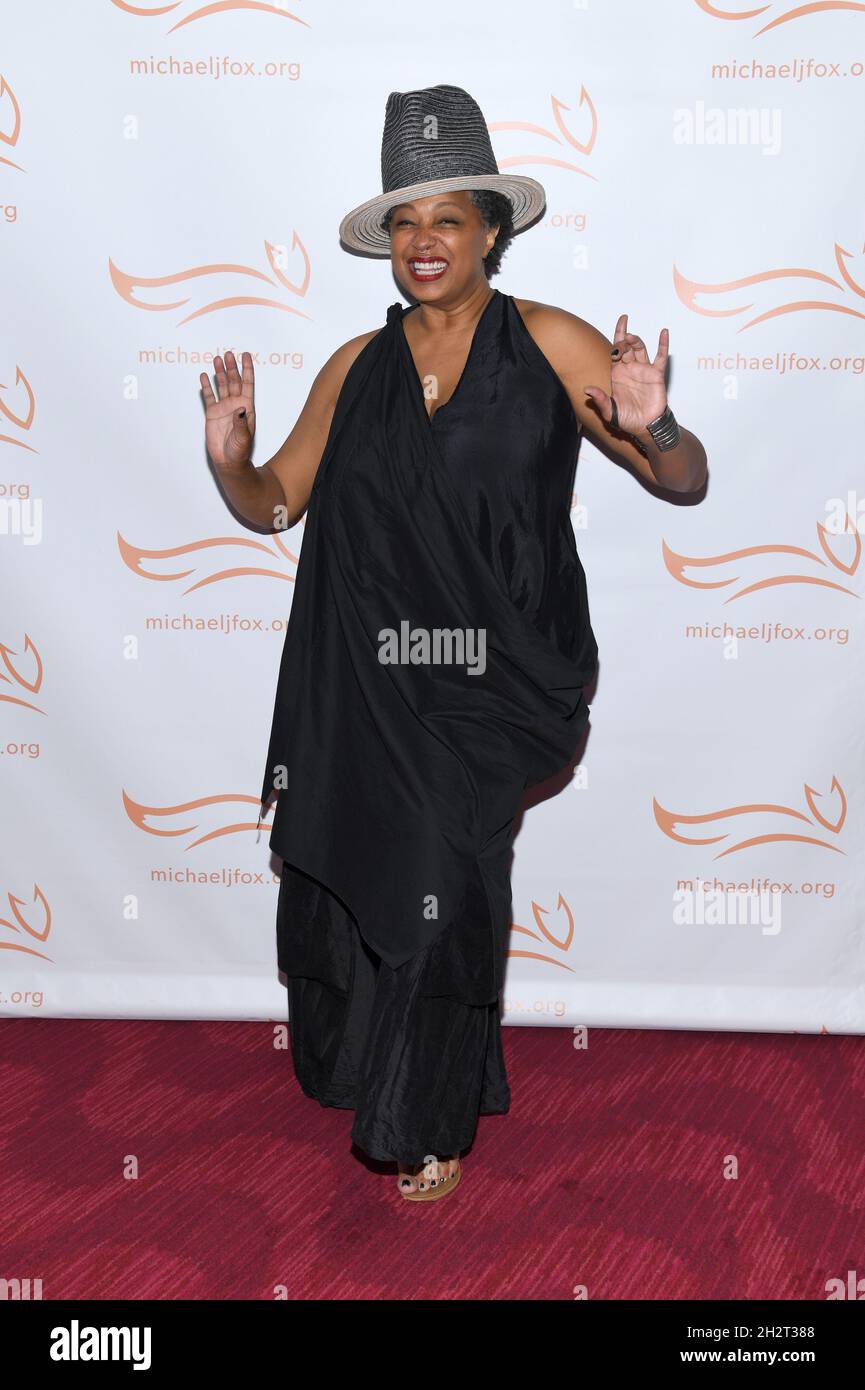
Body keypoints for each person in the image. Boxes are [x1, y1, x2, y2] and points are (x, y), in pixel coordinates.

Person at [199, 85, 708, 1204]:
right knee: (403, 873)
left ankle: (424, 1116)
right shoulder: (353, 367)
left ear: (492, 230)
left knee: (442, 877)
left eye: (448, 220)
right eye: (405, 223)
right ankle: (381, 1074)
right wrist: (231, 458)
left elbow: (681, 479)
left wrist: (652, 420)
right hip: (373, 679)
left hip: (498, 679)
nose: (424, 243)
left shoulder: (549, 341)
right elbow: (276, 501)